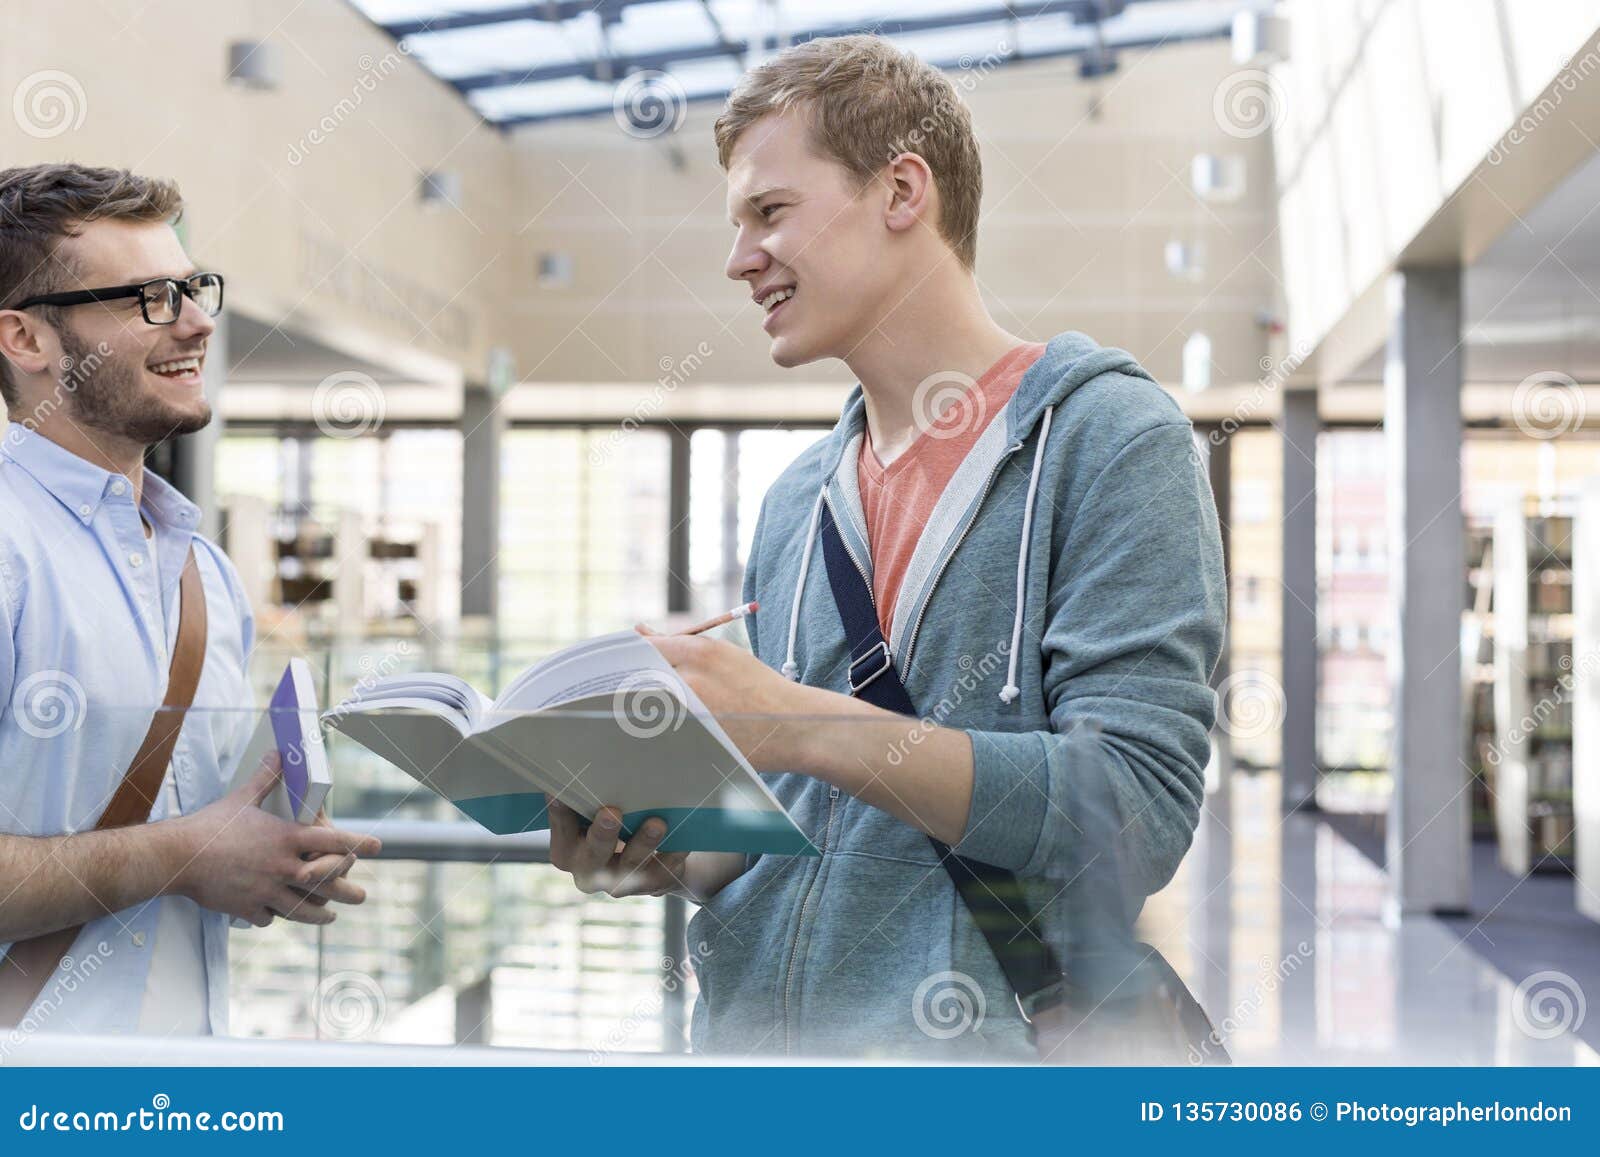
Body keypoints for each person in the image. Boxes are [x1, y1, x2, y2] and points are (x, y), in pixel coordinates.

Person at [548, 35, 1225, 1058]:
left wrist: (805, 723)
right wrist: (673, 856)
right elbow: (807, 817)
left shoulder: (1110, 441)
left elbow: (1131, 810)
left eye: (769, 213)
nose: (737, 259)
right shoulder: (798, 502)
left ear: (902, 189)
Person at [0, 163, 380, 1037]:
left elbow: (196, 829)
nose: (201, 321)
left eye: (193, 287)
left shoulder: (204, 570)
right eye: (151, 297)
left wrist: (269, 855)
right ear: (27, 340)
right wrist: (183, 855)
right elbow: (182, 848)